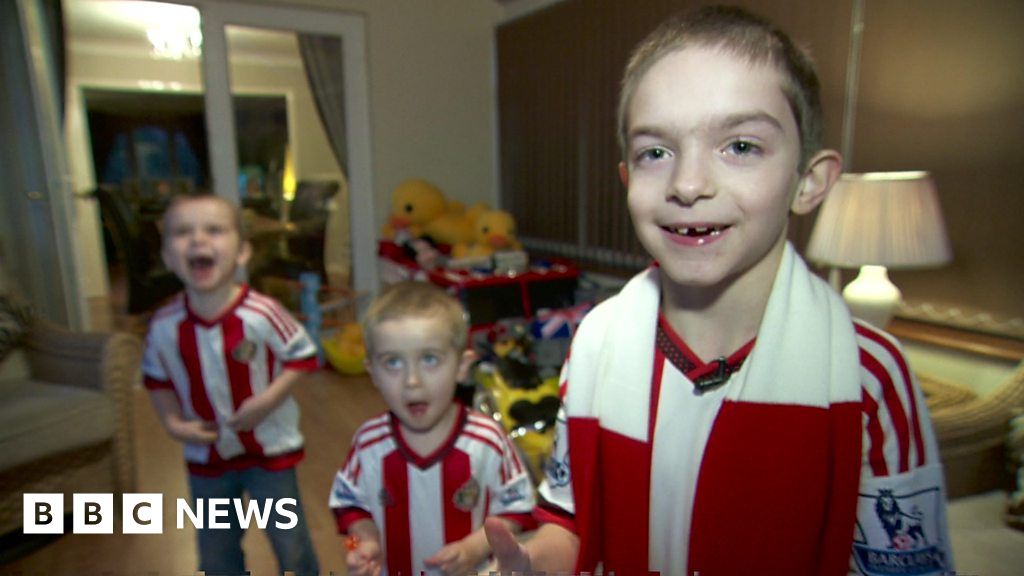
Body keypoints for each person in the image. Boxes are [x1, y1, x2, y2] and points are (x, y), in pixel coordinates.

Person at [485, 5, 954, 576]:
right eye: (656, 152)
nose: (687, 184)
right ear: (628, 181)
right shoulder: (597, 346)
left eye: (740, 146)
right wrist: (531, 563)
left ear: (808, 182)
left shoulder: (870, 379)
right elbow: (571, 520)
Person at [142, 194, 320, 575]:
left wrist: (267, 401)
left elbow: (302, 355)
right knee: (216, 553)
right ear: (168, 257)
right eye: (182, 232)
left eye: (214, 230)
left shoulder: (263, 313)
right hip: (206, 460)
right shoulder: (163, 326)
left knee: (291, 546)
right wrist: (173, 423)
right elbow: (156, 381)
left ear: (242, 252)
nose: (198, 240)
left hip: (269, 453)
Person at [329, 281, 536, 576]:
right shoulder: (368, 444)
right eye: (393, 363)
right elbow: (347, 510)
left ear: (462, 367)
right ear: (372, 372)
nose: (412, 380)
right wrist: (360, 544)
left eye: (429, 359)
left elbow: (520, 509)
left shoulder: (487, 441)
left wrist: (475, 548)